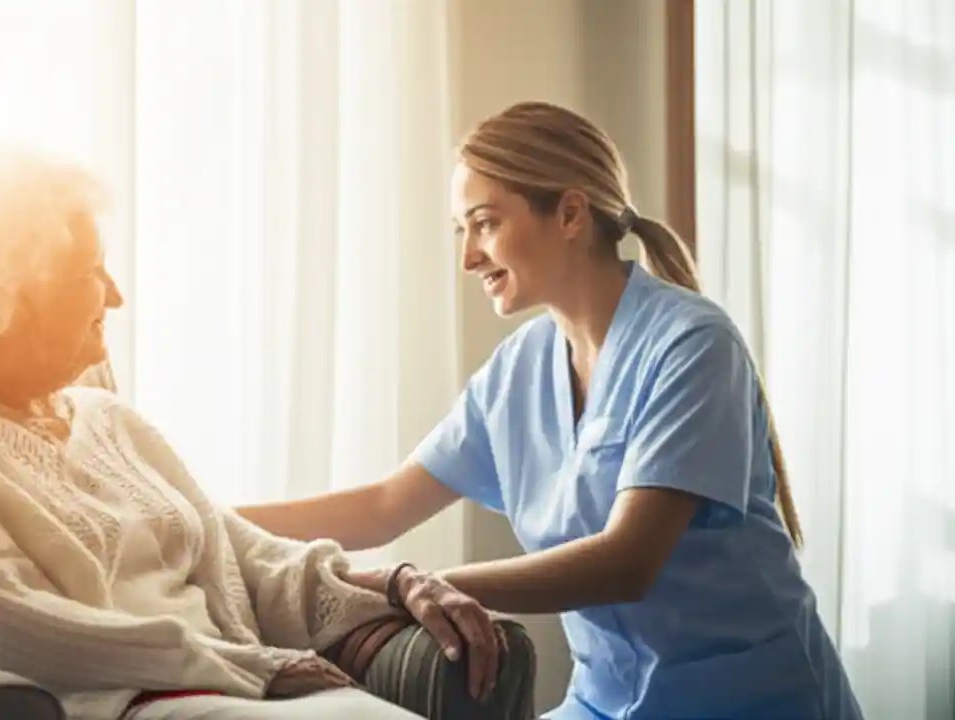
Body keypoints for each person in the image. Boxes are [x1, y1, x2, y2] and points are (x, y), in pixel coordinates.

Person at [0, 148, 518, 720]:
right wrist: (244, 666)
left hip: (226, 685)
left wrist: (399, 583)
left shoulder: (108, 419)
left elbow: (242, 554)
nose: (116, 295)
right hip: (126, 701)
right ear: (16, 289)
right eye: (90, 272)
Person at [238, 101, 864, 720]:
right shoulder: (520, 370)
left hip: (751, 701)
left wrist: (422, 585)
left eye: (484, 223)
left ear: (569, 213)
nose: (469, 258)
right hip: (604, 705)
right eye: (464, 230)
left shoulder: (692, 345)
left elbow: (626, 562)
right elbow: (382, 507)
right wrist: (200, 521)